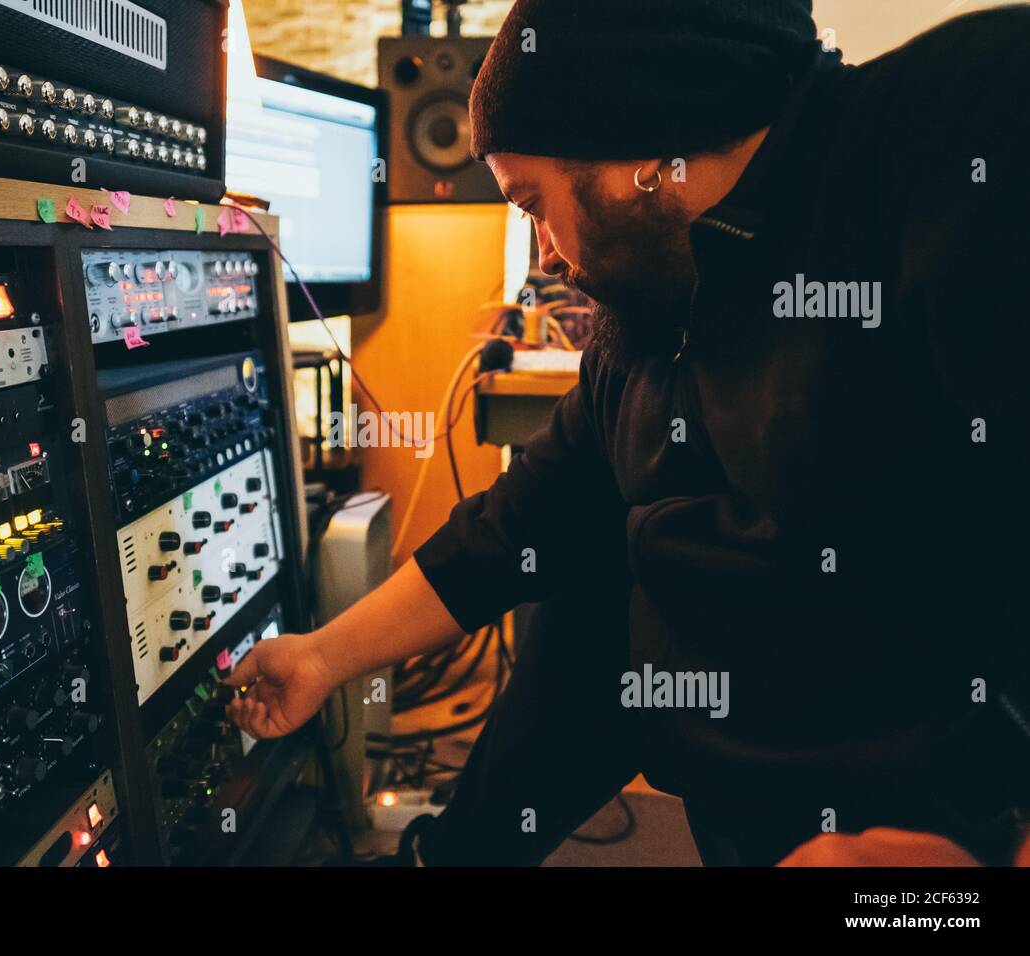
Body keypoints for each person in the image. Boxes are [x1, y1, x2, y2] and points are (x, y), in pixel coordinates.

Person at [226, 0, 1030, 865]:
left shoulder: (955, 124)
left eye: (533, 202)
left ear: (639, 150)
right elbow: (512, 530)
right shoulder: (651, 314)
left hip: (941, 854)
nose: (545, 256)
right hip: (743, 829)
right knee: (613, 544)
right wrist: (320, 656)